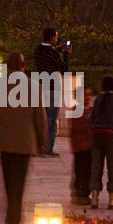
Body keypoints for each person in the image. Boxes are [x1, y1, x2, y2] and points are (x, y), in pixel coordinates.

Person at [0, 51, 47, 224]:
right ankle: (13, 220)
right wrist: (42, 141)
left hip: (4, 141)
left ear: (7, 67)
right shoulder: (34, 87)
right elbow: (40, 117)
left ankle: (11, 217)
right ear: (23, 66)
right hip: (25, 142)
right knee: (19, 182)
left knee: (8, 180)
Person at [89, 74, 113, 208]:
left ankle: (95, 197)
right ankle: (112, 199)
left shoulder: (98, 98)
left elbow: (93, 117)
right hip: (111, 135)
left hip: (96, 135)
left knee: (96, 166)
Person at [33, 27, 68, 156]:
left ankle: (40, 145)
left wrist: (58, 49)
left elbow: (47, 53)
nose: (57, 38)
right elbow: (64, 68)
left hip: (42, 87)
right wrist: (66, 54)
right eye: (56, 36)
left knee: (43, 117)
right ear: (52, 37)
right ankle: (48, 148)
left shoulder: (37, 50)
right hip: (53, 88)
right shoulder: (53, 53)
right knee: (52, 119)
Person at [69, 86, 95, 205]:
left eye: (89, 94)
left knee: (88, 170)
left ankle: (85, 193)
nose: (88, 97)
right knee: (80, 171)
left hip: (90, 146)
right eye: (85, 95)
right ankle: (79, 193)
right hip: (80, 146)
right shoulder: (75, 110)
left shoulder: (91, 110)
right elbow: (77, 129)